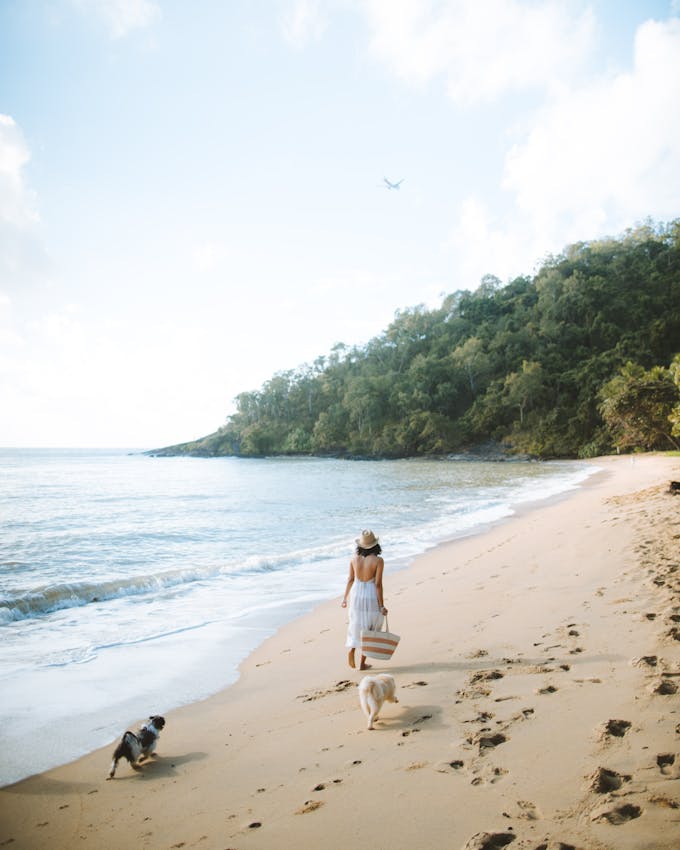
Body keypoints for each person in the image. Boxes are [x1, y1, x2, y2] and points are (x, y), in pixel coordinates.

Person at [341, 529, 388, 670]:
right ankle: (362, 663)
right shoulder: (378, 561)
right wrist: (382, 606)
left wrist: (344, 598)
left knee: (356, 623)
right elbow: (378, 584)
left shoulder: (354, 559)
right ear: (375, 545)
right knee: (370, 627)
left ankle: (352, 650)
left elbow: (350, 579)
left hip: (356, 593)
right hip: (370, 593)